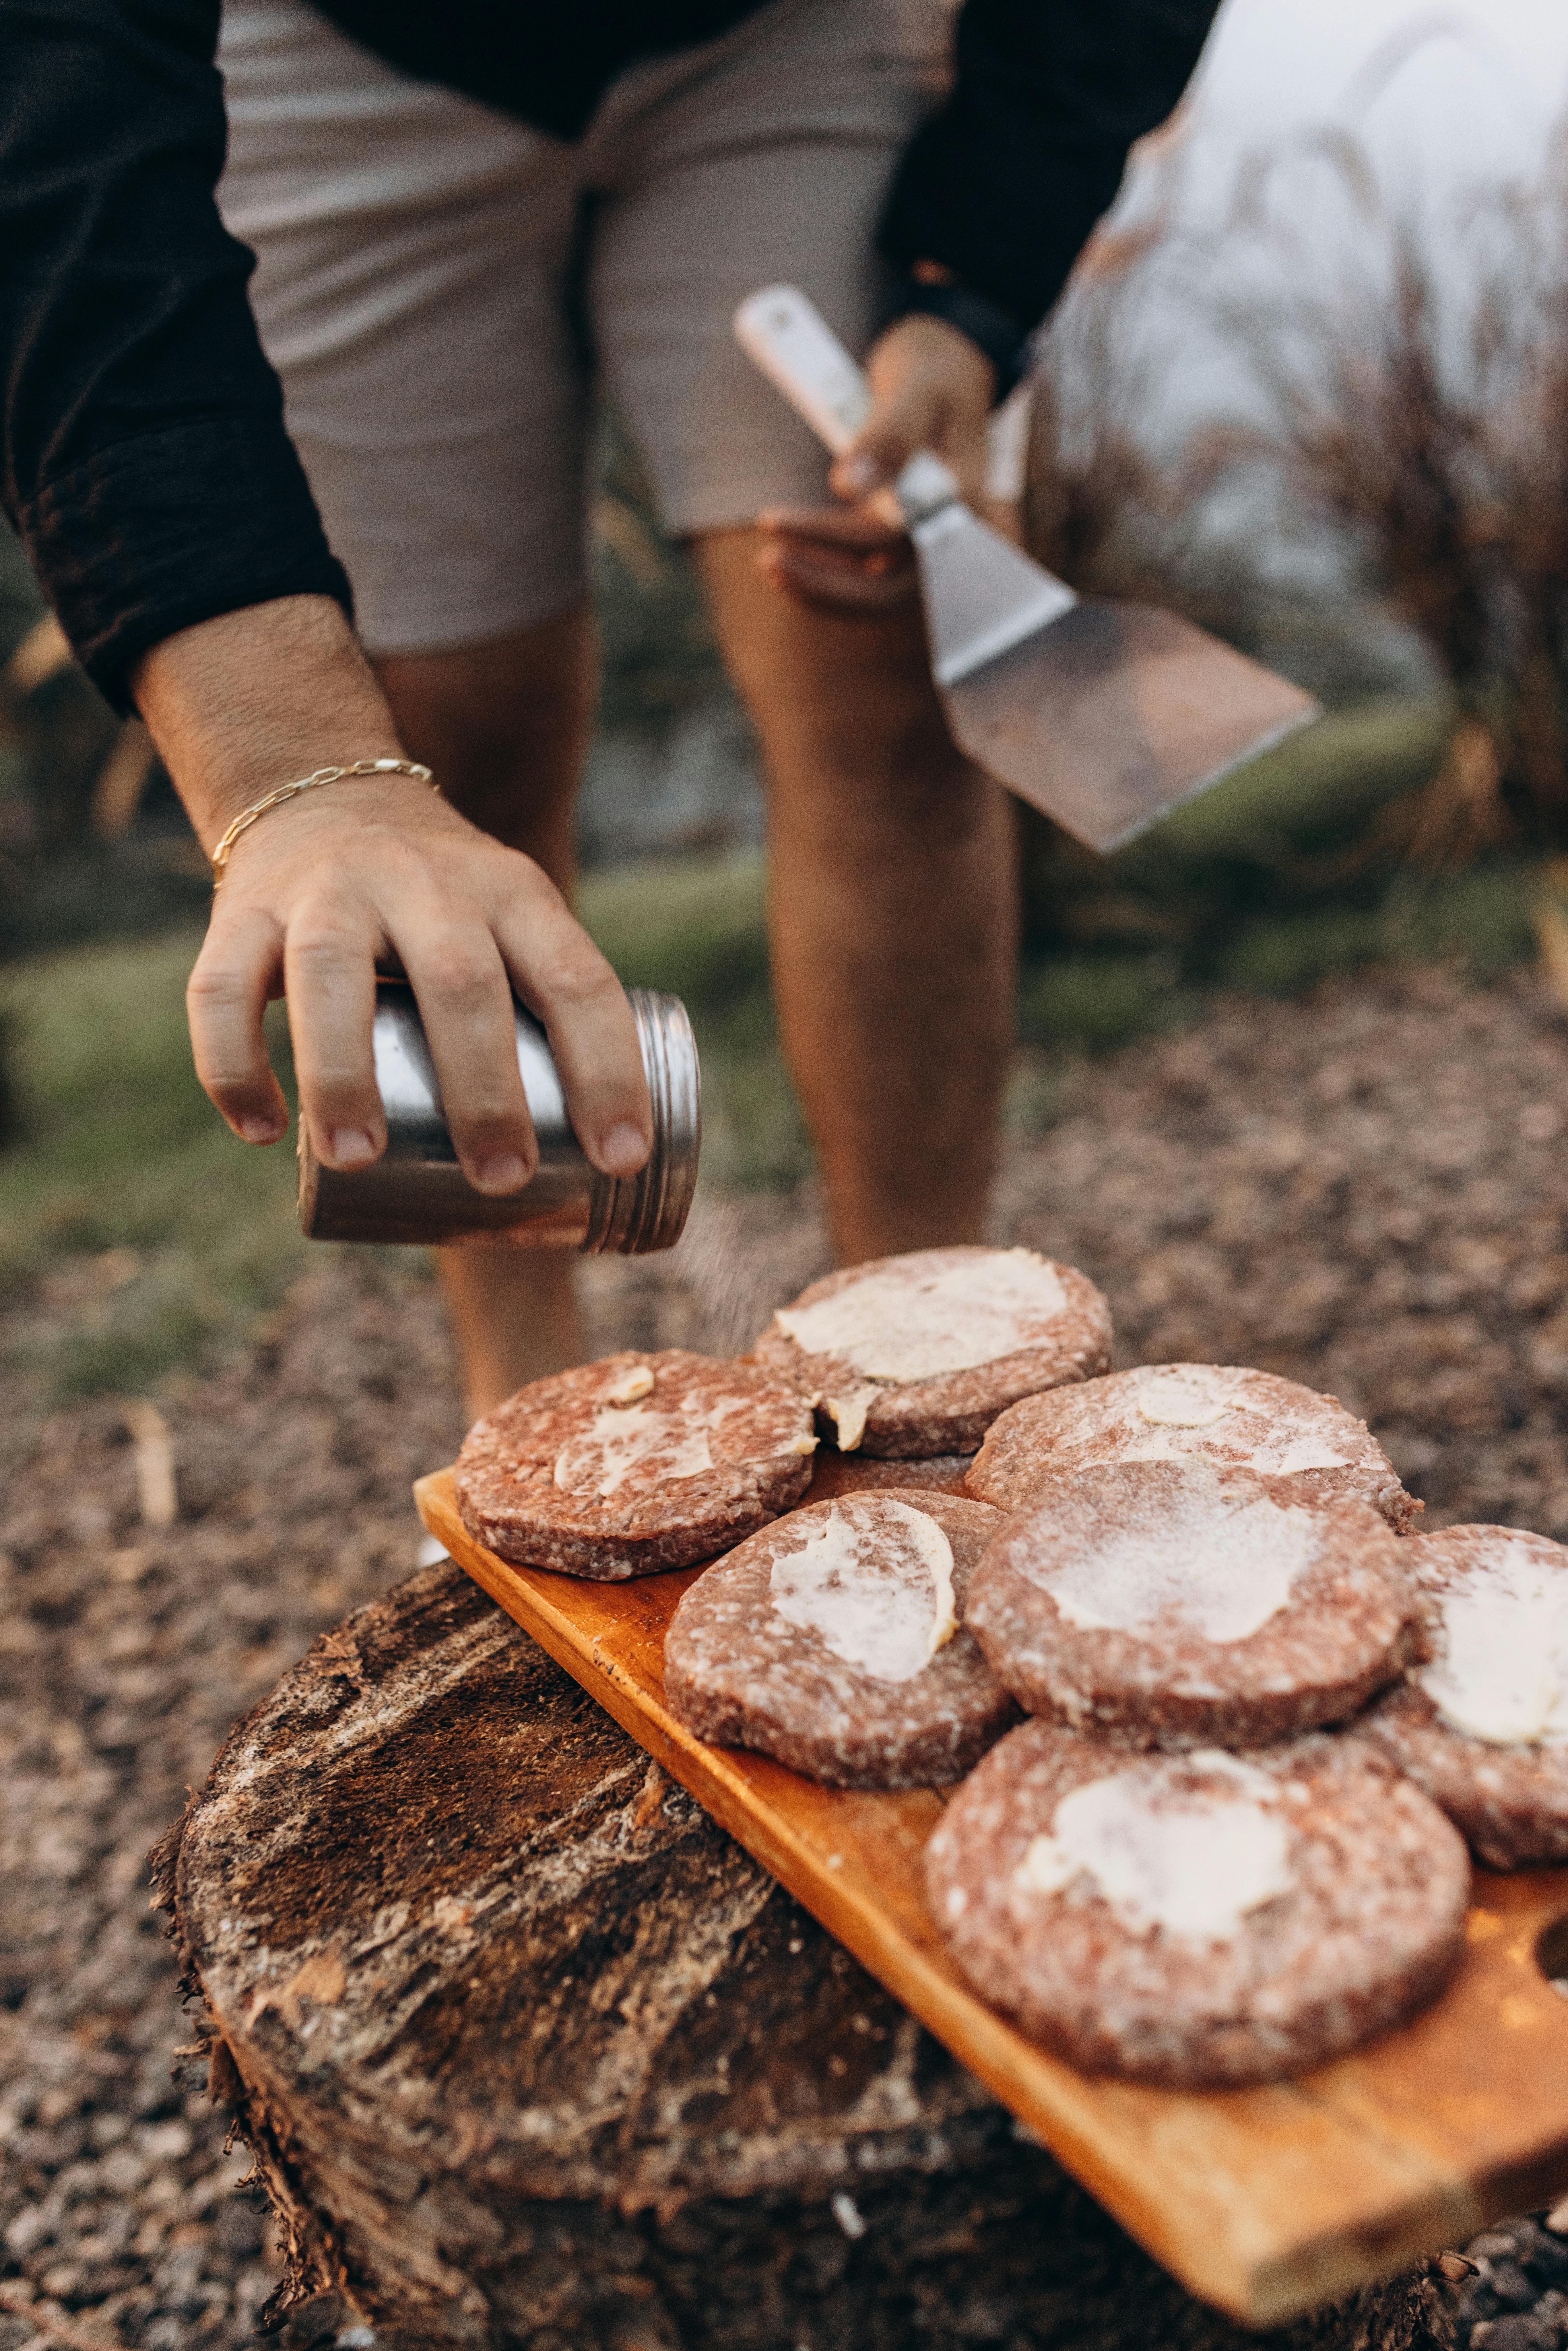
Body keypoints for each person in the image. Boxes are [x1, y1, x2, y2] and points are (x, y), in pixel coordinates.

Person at [1, 0, 1217, 1420]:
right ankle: (528, 1409)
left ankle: (937, 1377)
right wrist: (300, 766)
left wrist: (975, 291)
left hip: (790, 34)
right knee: (448, 734)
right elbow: (54, 93)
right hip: (330, 54)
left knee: (889, 657)